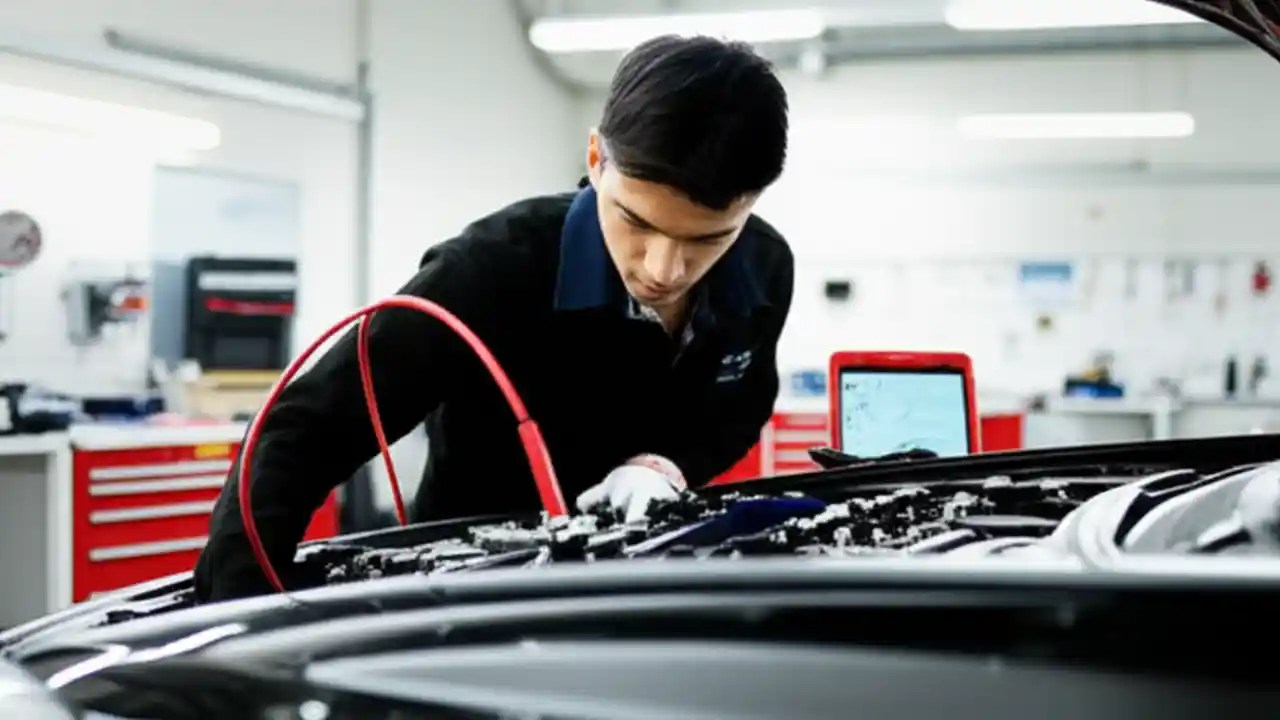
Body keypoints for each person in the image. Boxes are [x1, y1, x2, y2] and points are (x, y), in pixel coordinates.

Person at [195, 34, 795, 602]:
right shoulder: (491, 270)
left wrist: (663, 465)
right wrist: (235, 614)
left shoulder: (765, 268)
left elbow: (737, 407)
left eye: (707, 240)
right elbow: (305, 432)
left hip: (646, 580)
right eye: (637, 223)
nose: (665, 269)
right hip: (473, 598)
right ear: (596, 159)